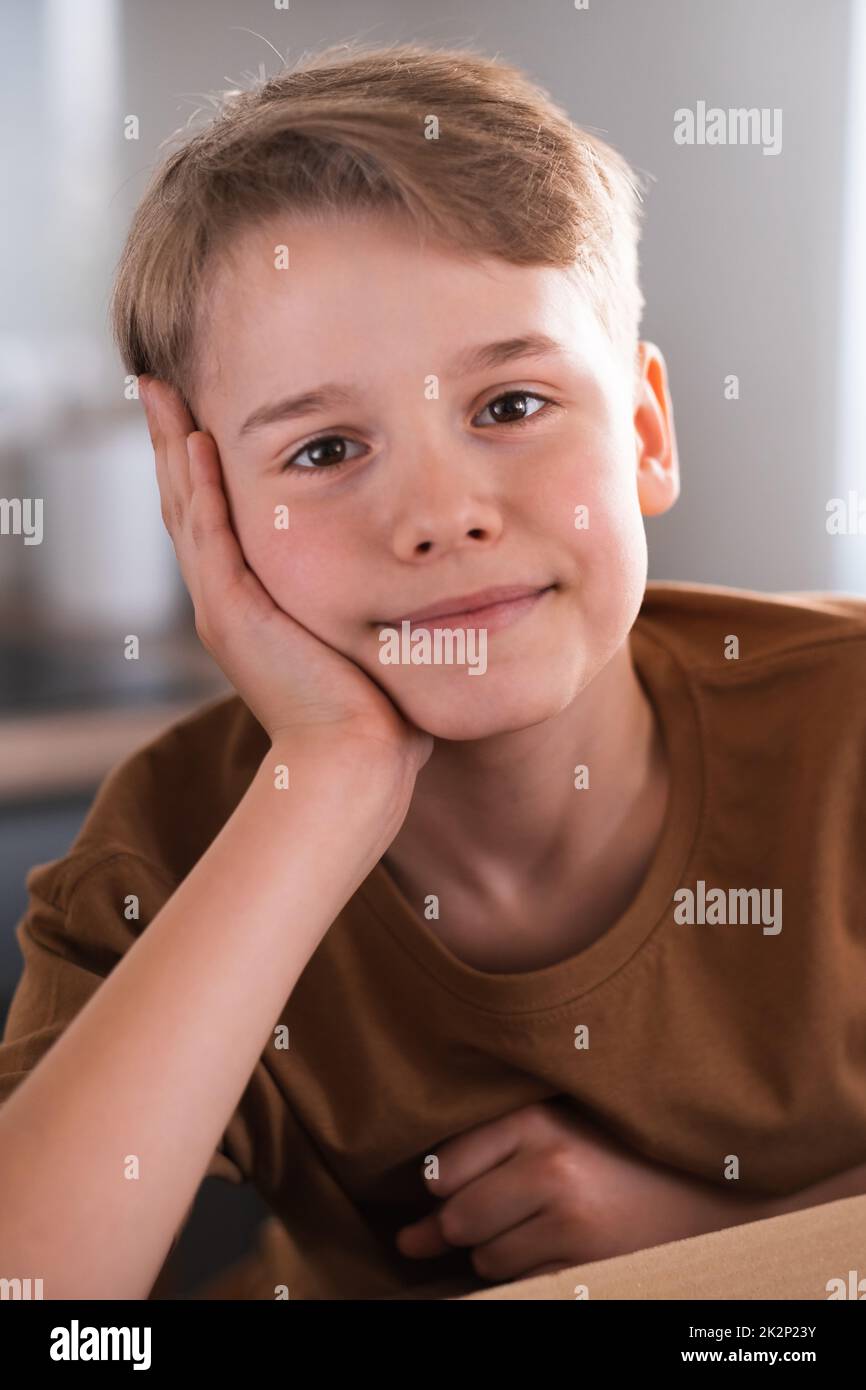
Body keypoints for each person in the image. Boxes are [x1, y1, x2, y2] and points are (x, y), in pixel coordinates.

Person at [1, 39, 865, 1302]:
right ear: (208, 517)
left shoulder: (841, 727)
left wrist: (697, 1242)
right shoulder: (173, 845)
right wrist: (332, 780)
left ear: (641, 431)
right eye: (327, 446)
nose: (440, 514)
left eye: (509, 406)